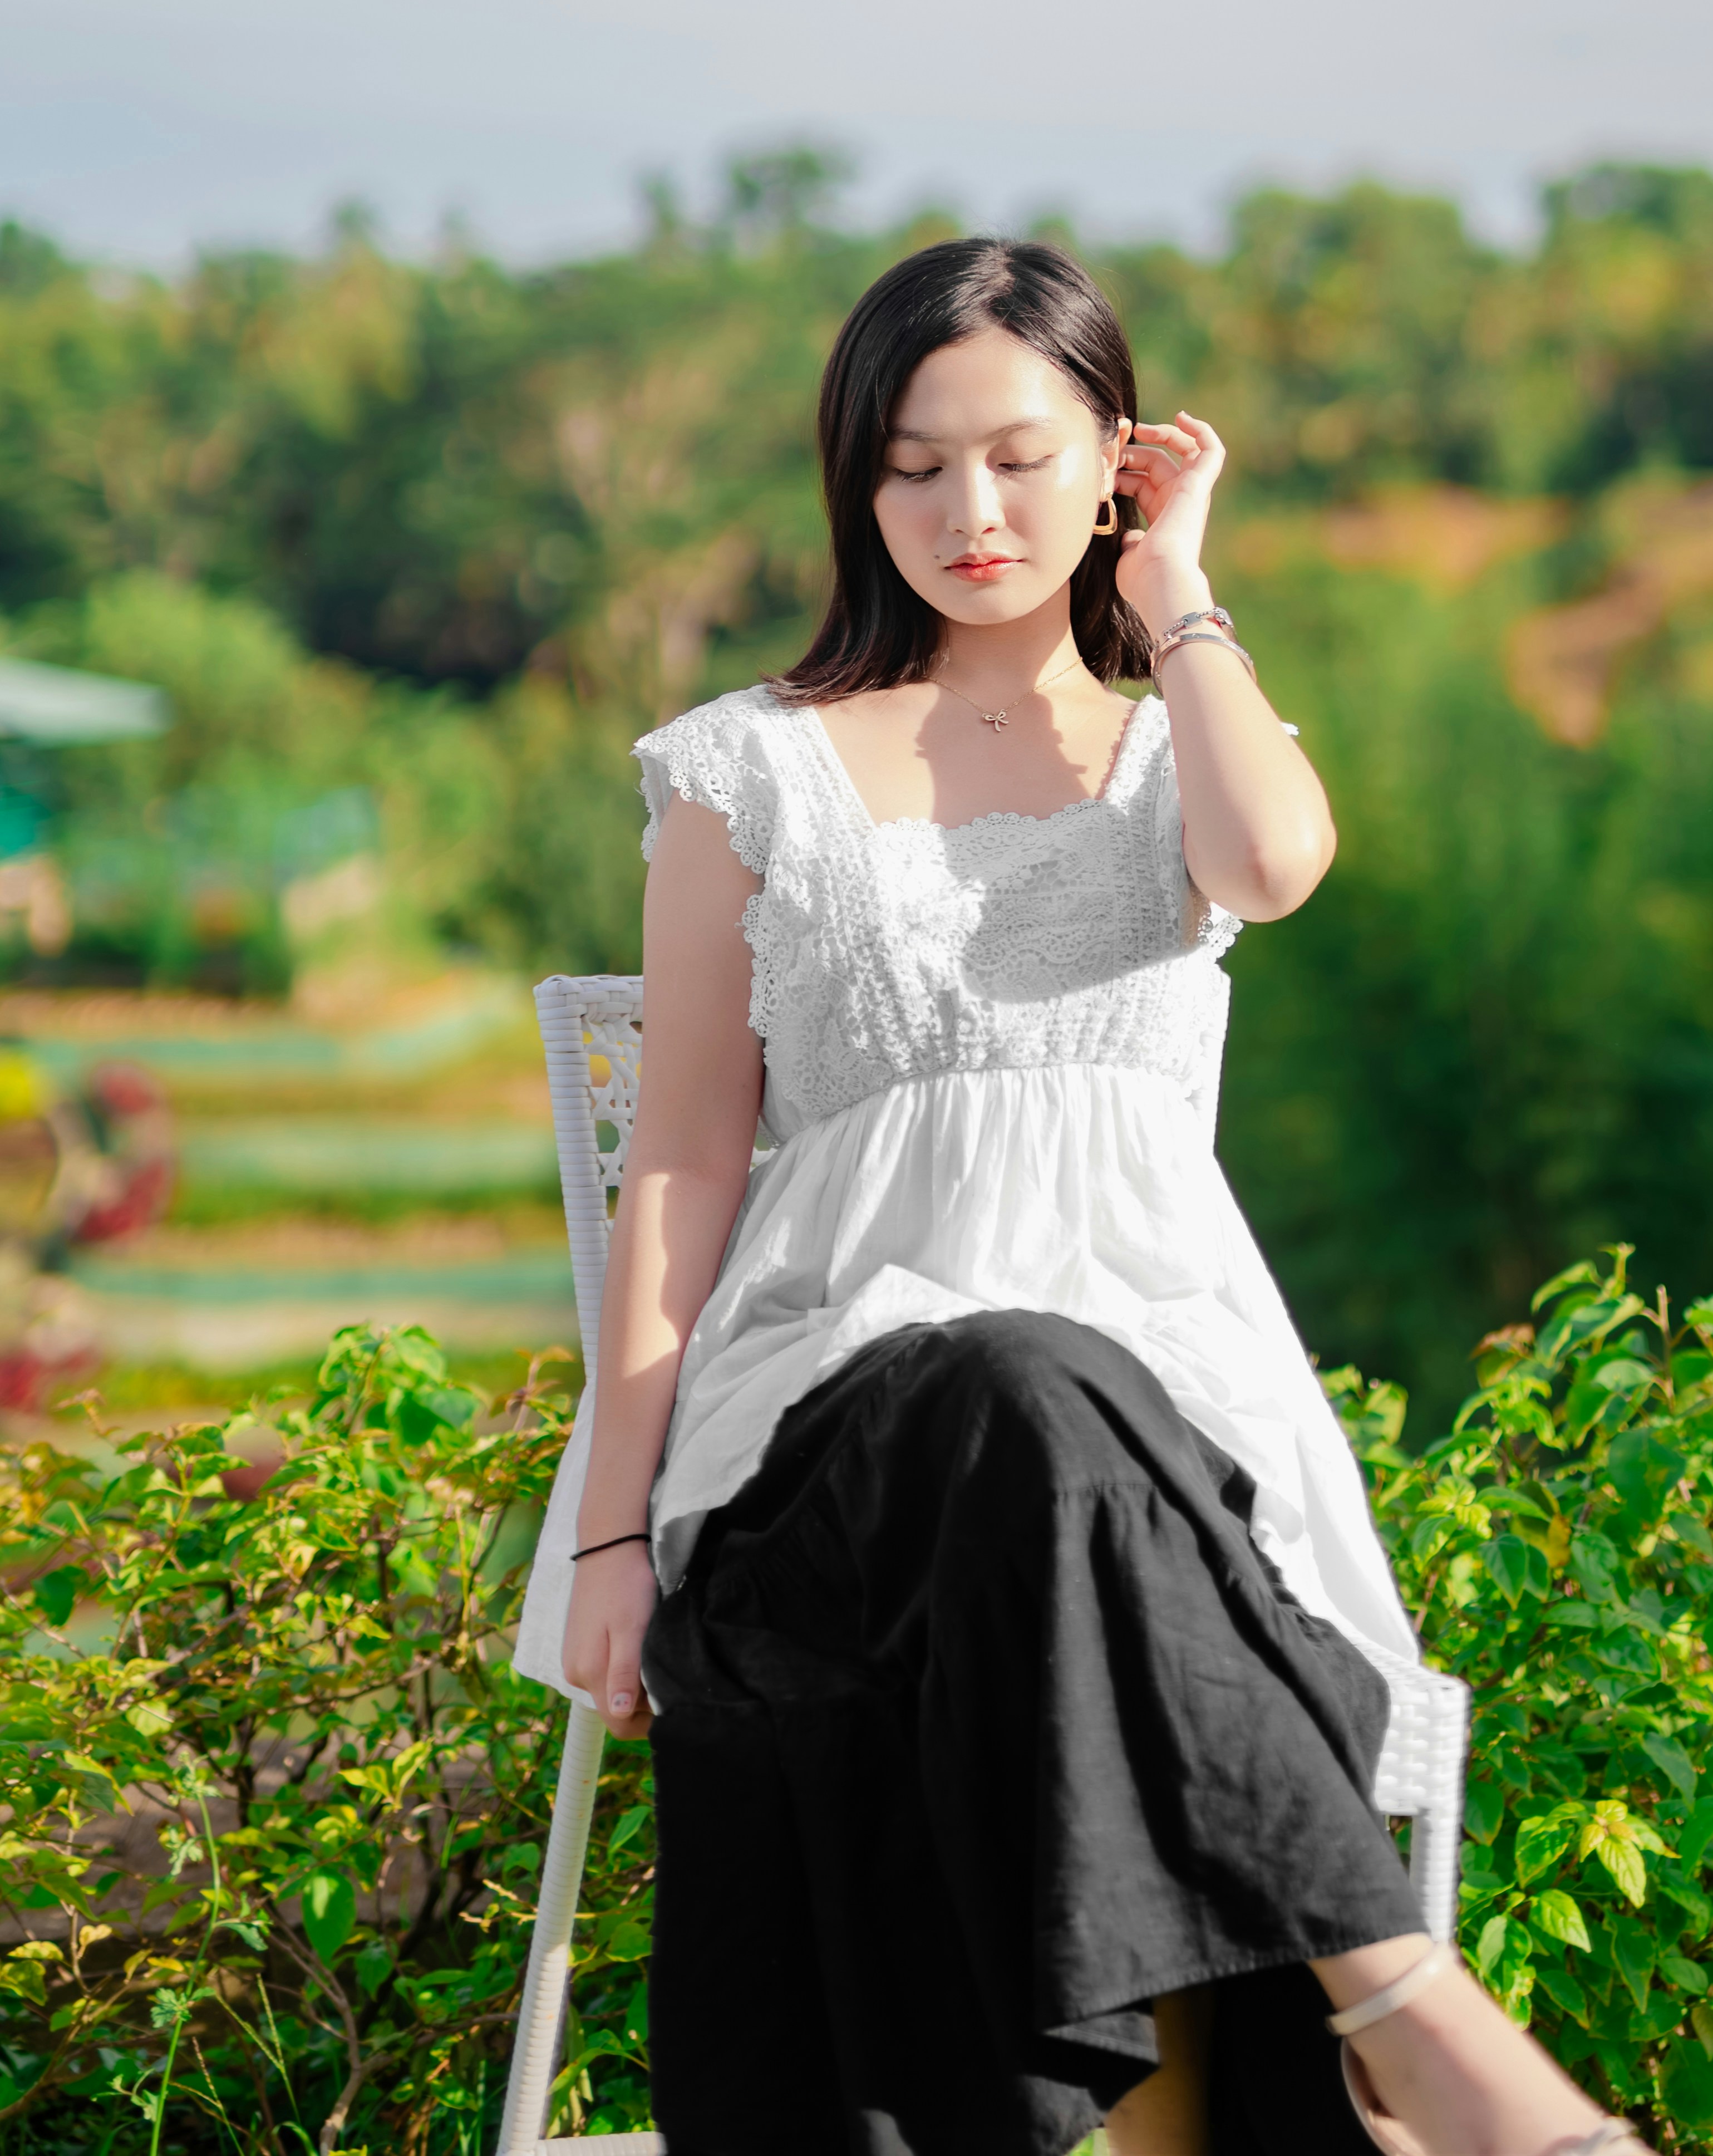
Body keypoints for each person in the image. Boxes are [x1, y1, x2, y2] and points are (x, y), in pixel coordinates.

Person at [521, 239, 1647, 2156]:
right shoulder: (746, 774)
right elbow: (691, 1160)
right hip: (829, 1445)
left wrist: (1182, 588)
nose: (967, 509)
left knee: (1054, 1403)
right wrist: (613, 1531)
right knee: (1006, 1378)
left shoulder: (1172, 760)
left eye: (1024, 457)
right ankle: (1410, 2016)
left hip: (1166, 1459)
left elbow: (1279, 865)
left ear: (1116, 460)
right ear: (855, 487)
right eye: (911, 463)